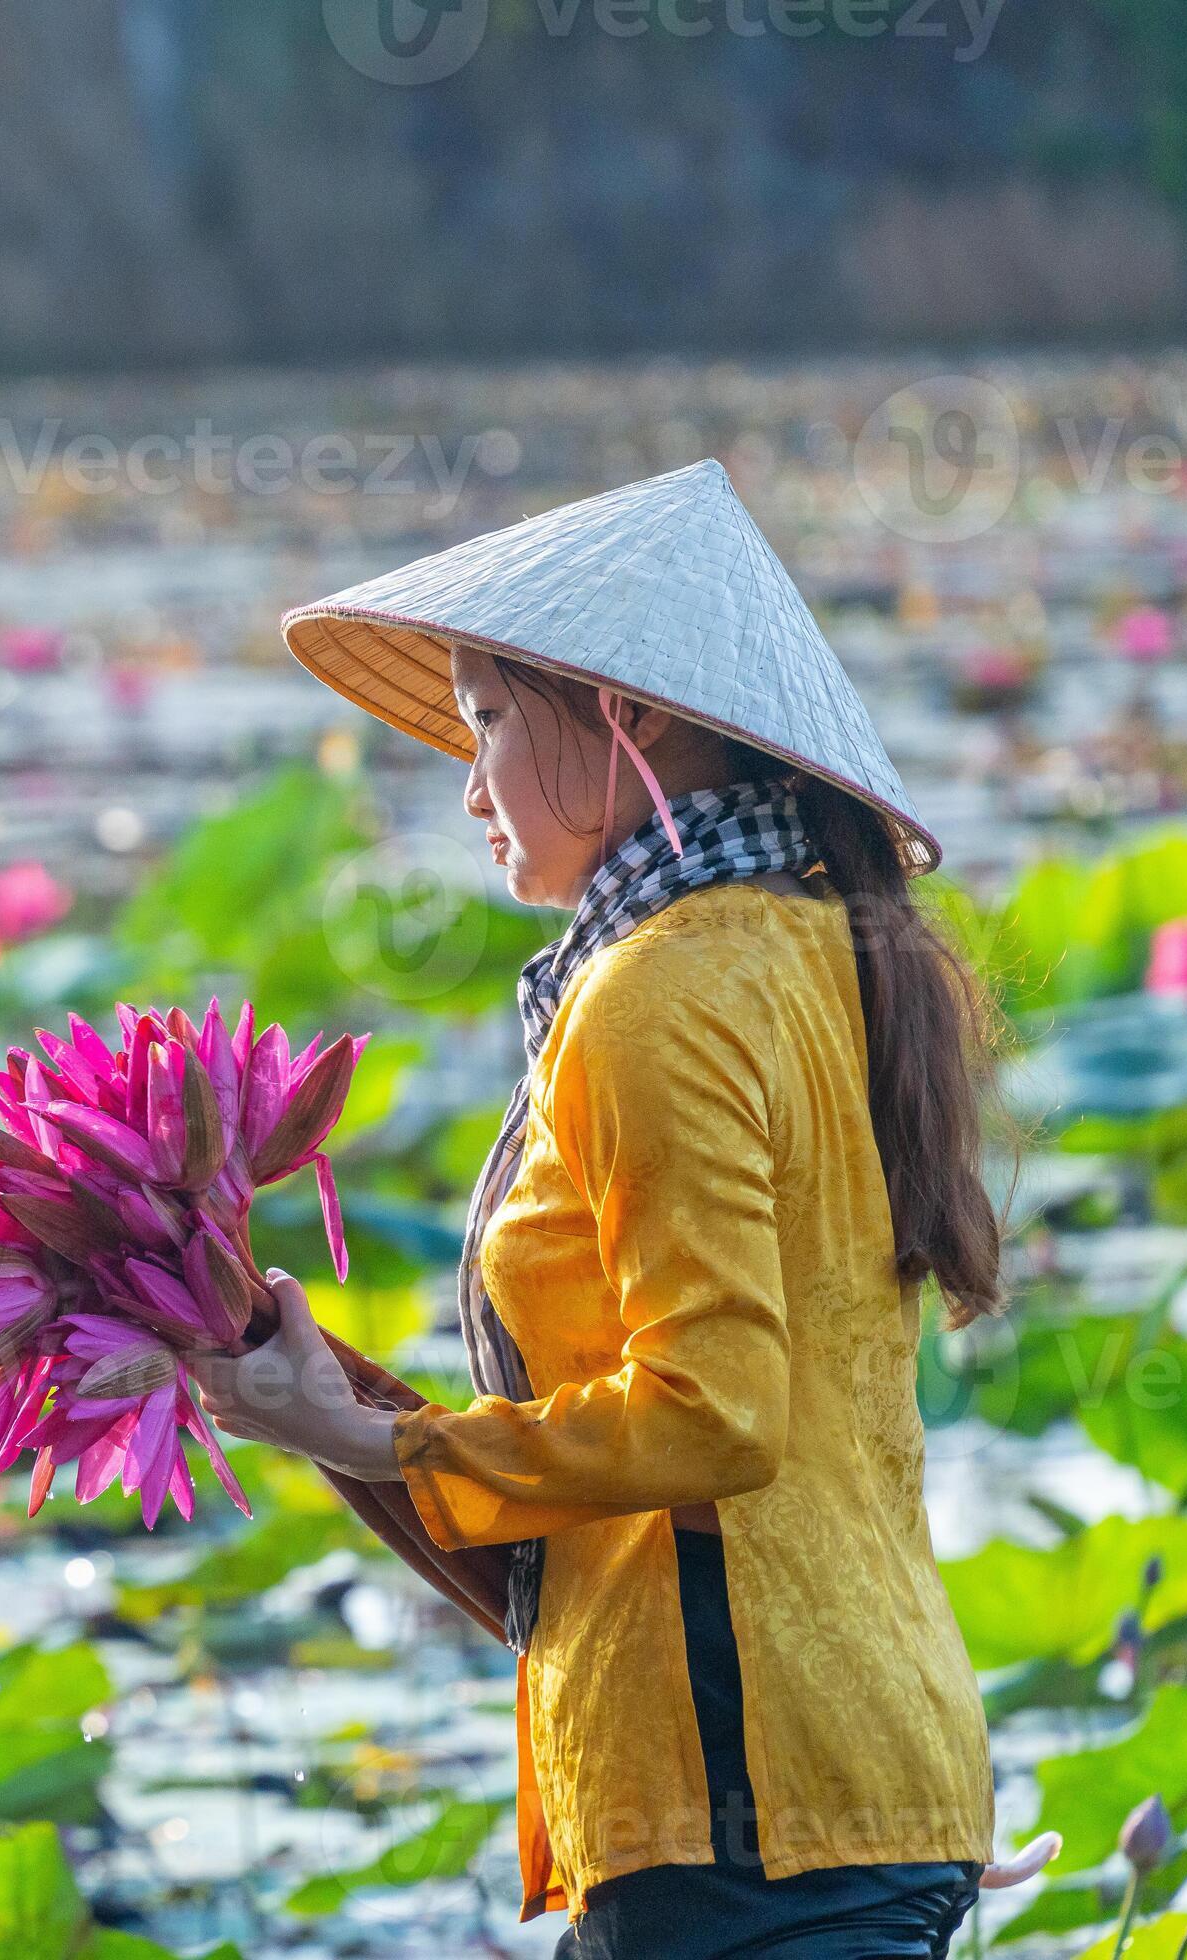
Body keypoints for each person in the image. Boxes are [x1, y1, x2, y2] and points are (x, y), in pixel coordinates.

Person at [194, 461, 1050, 1957]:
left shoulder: (656, 991)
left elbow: (716, 1417)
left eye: (486, 723)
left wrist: (364, 1437)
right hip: (847, 1788)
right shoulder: (815, 946)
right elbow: (654, 1513)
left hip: (753, 1836)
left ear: (625, 718)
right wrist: (339, 1411)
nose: (467, 785)